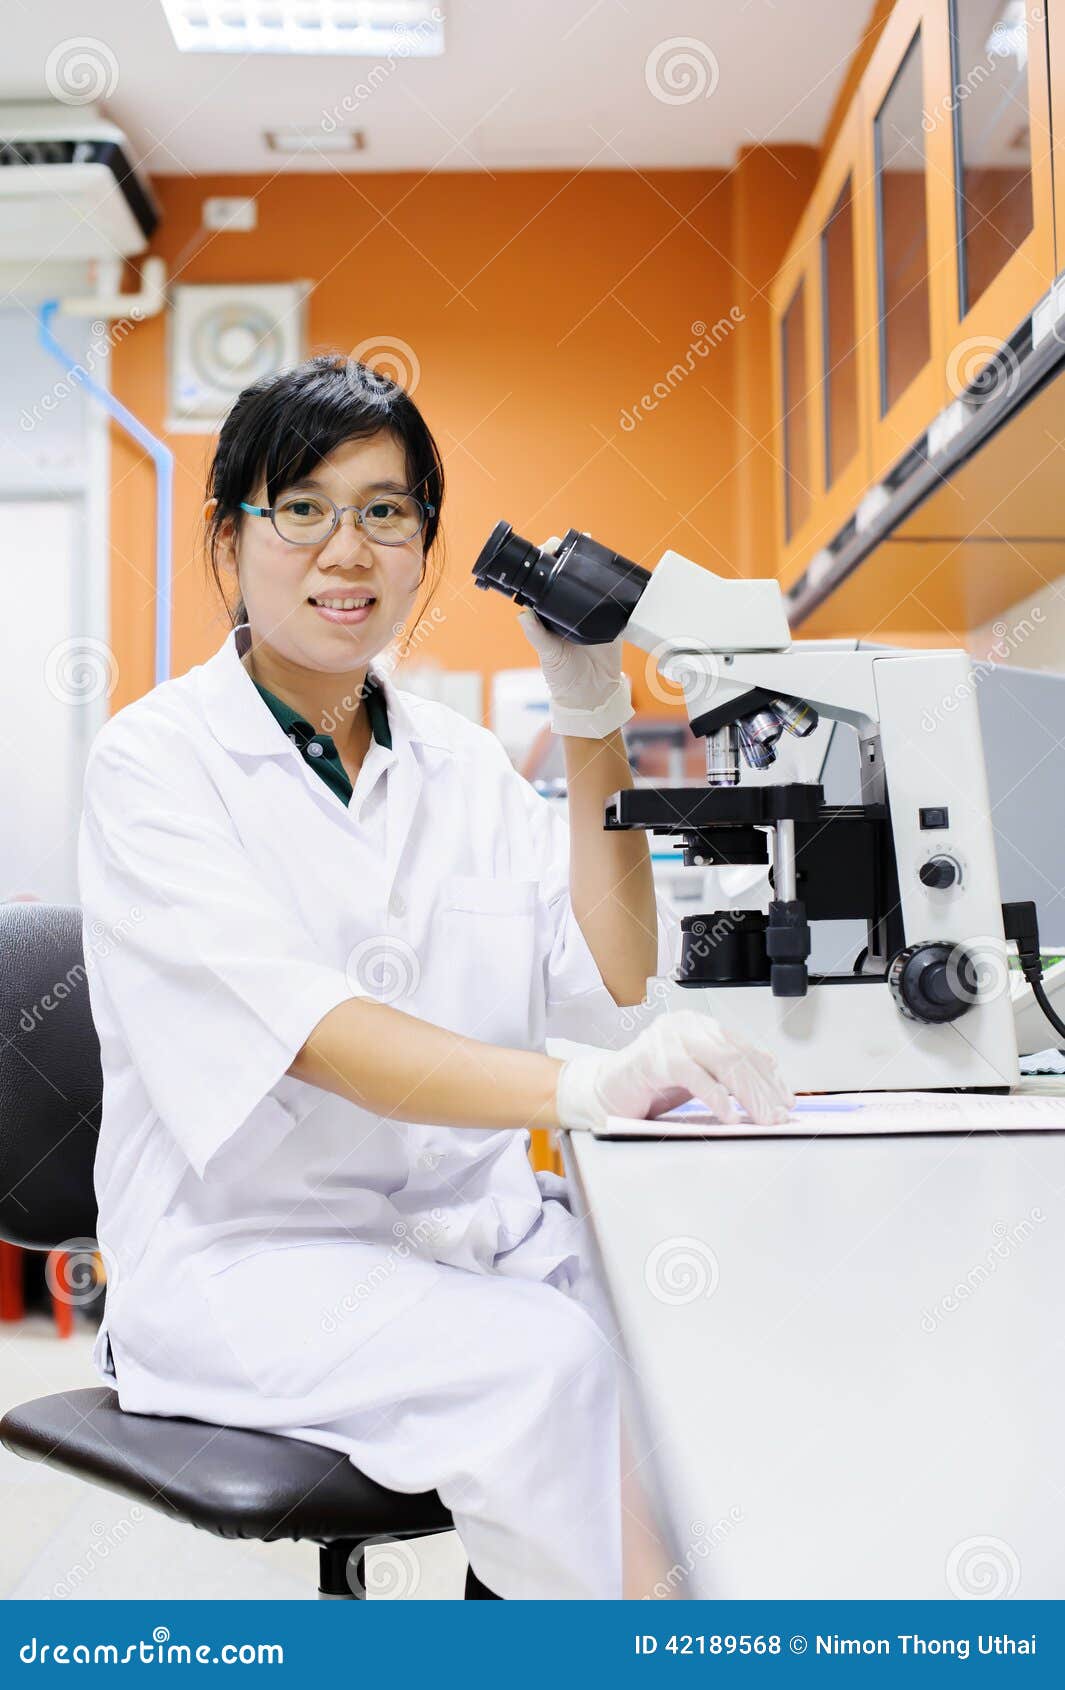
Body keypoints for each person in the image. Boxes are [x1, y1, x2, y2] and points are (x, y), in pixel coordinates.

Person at [78, 354, 793, 1601]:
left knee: (717, 1317)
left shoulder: (464, 767)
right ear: (227, 541)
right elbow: (317, 1033)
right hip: (251, 1256)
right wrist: (580, 1088)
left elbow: (616, 975)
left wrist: (592, 719)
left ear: (423, 549)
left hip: (472, 1234)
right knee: (548, 1371)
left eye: (386, 512)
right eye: (301, 508)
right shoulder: (156, 765)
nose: (346, 549)